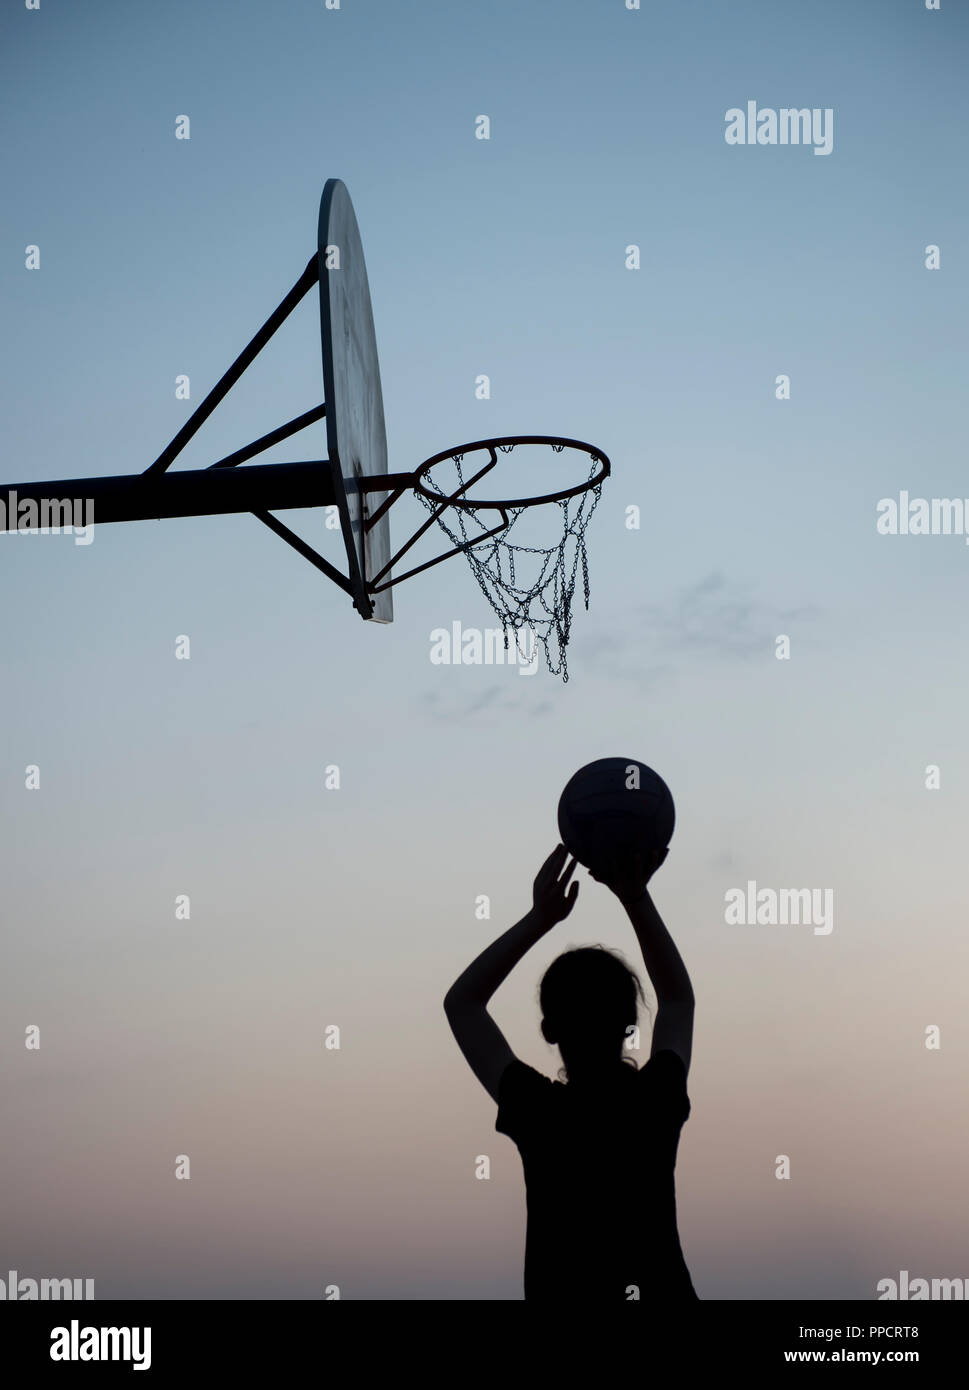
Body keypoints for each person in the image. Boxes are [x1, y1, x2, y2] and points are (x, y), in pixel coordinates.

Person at [443, 843, 698, 1303]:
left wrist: (540, 918)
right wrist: (635, 896)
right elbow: (678, 1001)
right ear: (632, 1025)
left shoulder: (538, 1112)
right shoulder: (654, 1100)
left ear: (548, 1028)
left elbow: (462, 1004)